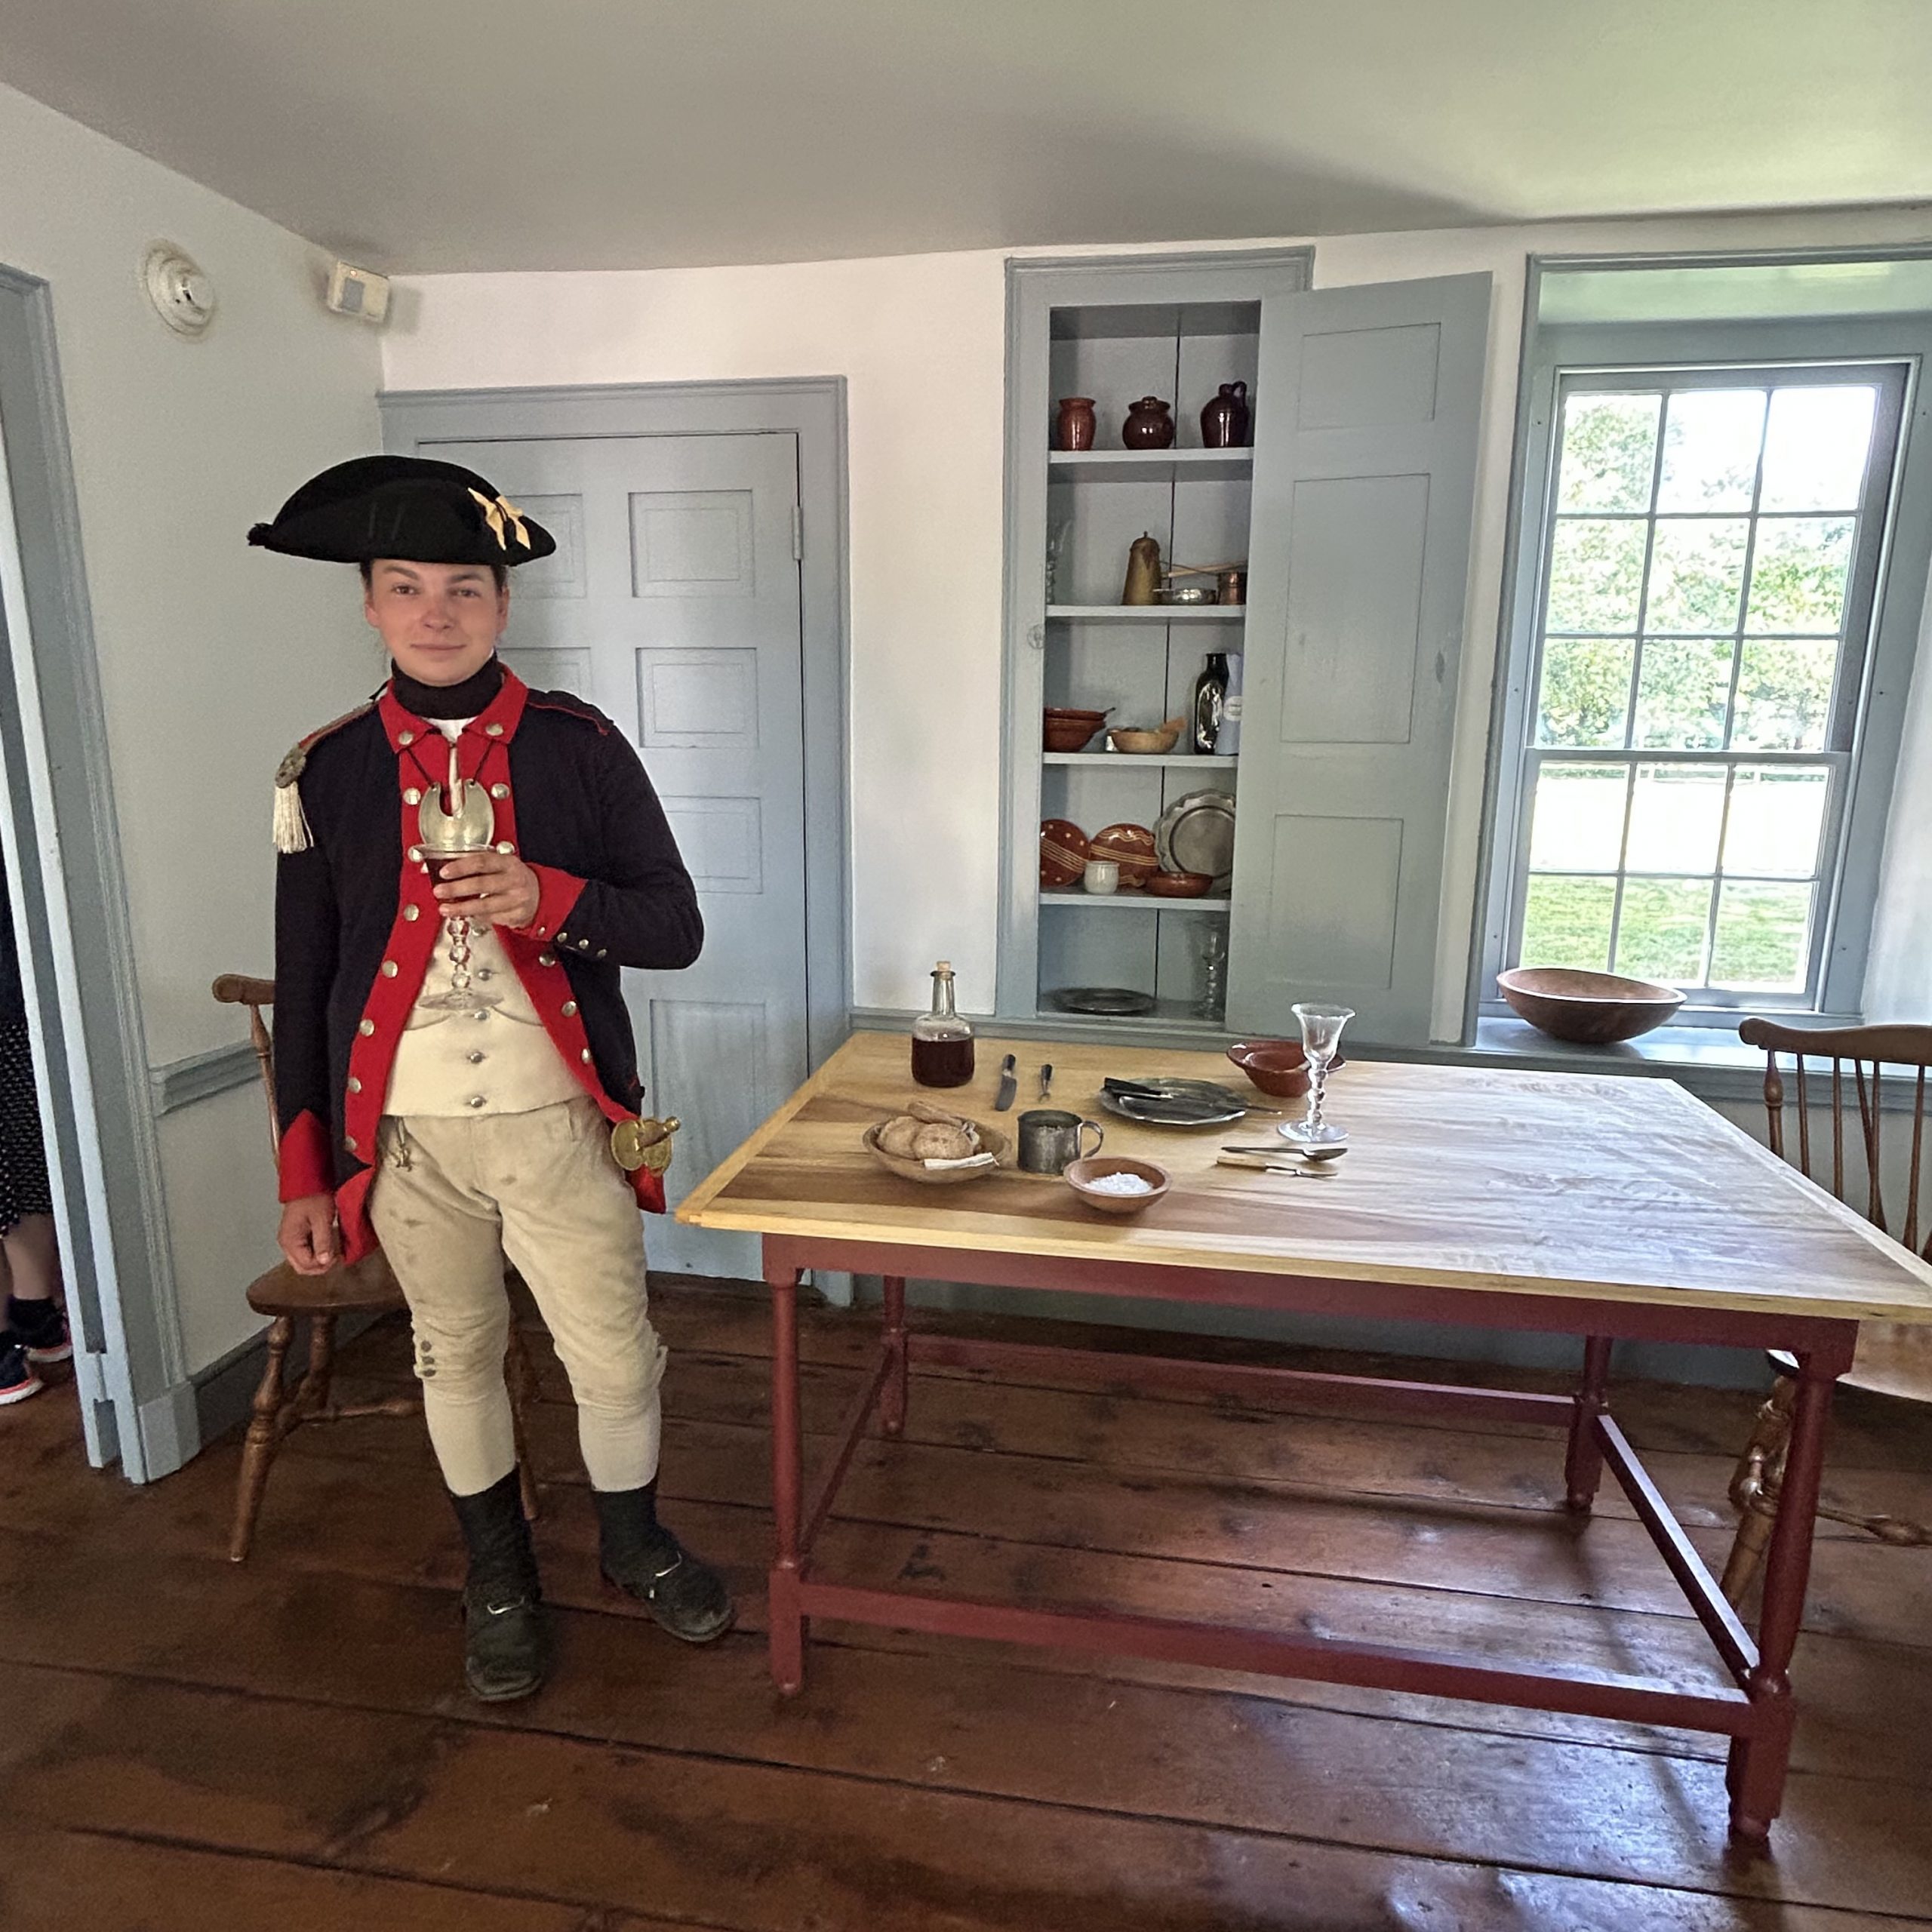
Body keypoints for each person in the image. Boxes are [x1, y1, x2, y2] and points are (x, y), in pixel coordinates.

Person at [252, 454, 731, 1701]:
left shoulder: (581, 747)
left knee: (617, 1356)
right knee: (452, 1356)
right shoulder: (328, 770)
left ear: (502, 606)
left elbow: (675, 926)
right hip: (404, 1141)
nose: (437, 612)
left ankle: (632, 1543)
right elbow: (303, 982)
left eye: (464, 587)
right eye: (406, 587)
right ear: (370, 603)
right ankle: (500, 1573)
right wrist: (306, 1171)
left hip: (566, 1122)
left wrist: (550, 901)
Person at [0, 866, 70, 1406]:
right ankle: (33, 1314)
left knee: (24, 1165)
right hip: (17, 1001)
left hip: (16, 1003)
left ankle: (24, 1323)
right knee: (25, 1162)